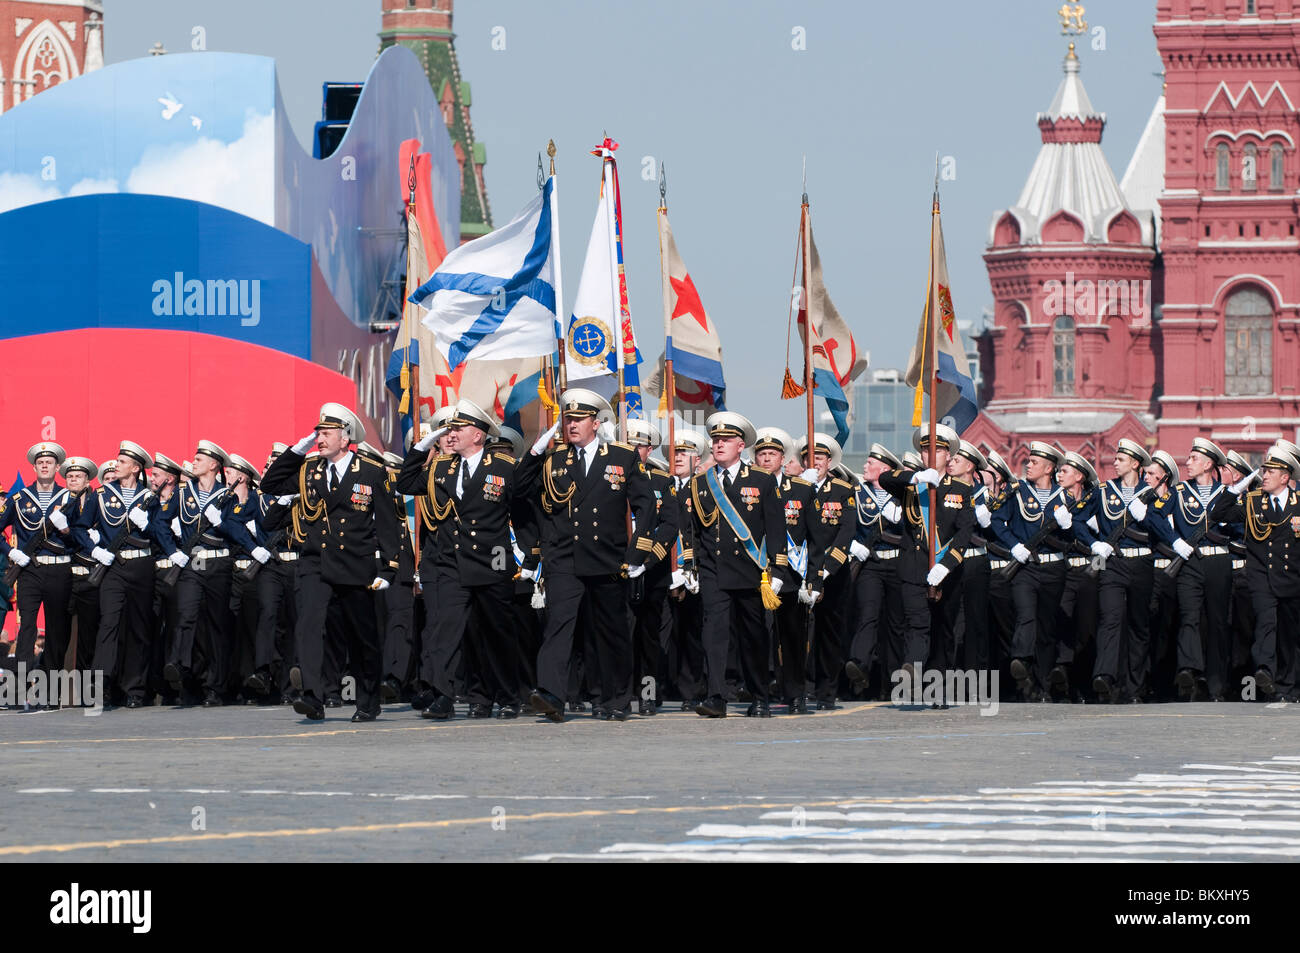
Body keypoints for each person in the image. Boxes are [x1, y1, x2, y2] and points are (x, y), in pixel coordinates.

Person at [397, 399, 542, 719]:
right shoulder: (441, 467)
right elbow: (405, 482)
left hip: (495, 560)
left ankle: (505, 696)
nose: (452, 433)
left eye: (458, 428)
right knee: (450, 630)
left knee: (495, 631)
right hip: (453, 561)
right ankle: (449, 696)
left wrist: (530, 556)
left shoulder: (503, 467)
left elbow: (523, 511)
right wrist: (423, 445)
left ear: (477, 435)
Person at [261, 403, 400, 722]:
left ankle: (368, 698)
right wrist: (299, 449)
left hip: (354, 563)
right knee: (309, 627)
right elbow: (270, 484)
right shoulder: (309, 469)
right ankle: (313, 695)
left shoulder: (370, 471)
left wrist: (388, 567)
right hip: (315, 561)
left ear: (345, 437)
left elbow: (387, 524)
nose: (320, 438)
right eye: (318, 432)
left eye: (327, 433)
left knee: (360, 634)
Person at [527, 389, 656, 722]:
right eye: (567, 419)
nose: (571, 425)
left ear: (595, 423)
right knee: (558, 626)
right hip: (565, 559)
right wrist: (537, 449)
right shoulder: (554, 460)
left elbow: (646, 507)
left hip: (607, 558)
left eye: (578, 419)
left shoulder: (622, 457)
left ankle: (617, 699)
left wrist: (636, 554)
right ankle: (551, 693)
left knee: (610, 631)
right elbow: (520, 490)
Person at [686, 412, 787, 718]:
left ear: (740, 445)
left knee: (752, 636)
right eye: (715, 440)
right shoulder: (701, 483)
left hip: (751, 571)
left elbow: (776, 527)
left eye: (725, 440)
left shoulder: (761, 480)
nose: (718, 445)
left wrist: (778, 569)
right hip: (714, 570)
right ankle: (717, 695)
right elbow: (694, 530)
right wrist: (692, 568)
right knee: (713, 635)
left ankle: (759, 696)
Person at [72, 441, 184, 708]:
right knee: (109, 623)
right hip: (113, 566)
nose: (117, 465)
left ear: (135, 468)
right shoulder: (101, 495)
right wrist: (96, 550)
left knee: (138, 627)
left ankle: (135, 688)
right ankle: (103, 684)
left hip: (142, 567)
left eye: (122, 462)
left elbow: (161, 532)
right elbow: (80, 527)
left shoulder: (149, 498)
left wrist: (149, 526)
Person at [162, 441, 263, 707]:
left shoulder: (226, 496)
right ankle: (179, 666)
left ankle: (215, 688)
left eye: (199, 459)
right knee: (186, 614)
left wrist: (225, 525)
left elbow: (238, 531)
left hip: (219, 563)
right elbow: (160, 523)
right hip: (193, 563)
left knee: (217, 625)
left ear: (214, 465)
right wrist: (173, 551)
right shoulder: (183, 494)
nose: (193, 462)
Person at [879, 425, 974, 698]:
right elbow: (886, 478)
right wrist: (917, 477)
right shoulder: (911, 485)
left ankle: (939, 690)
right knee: (917, 623)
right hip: (913, 567)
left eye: (938, 450)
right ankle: (912, 667)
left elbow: (964, 533)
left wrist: (946, 565)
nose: (930, 454)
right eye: (925, 449)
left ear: (949, 455)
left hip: (947, 570)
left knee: (944, 630)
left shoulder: (961, 490)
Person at [1210, 445, 1299, 702]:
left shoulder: (1299, 504)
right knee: (1266, 623)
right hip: (1261, 577)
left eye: (1271, 471)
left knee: (1290, 635)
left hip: (1292, 579)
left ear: (1285, 477)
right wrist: (1234, 490)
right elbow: (1218, 514)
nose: (1265, 474)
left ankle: (1288, 686)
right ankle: (1264, 670)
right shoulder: (1252, 502)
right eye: (1264, 470)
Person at [1146, 438, 1232, 701]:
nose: (1188, 462)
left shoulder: (1226, 495)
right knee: (1189, 616)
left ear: (1208, 464)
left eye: (1194, 458)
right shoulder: (1180, 492)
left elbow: (1242, 527)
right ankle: (1188, 671)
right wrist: (1175, 540)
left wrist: (1229, 527)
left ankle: (1216, 684)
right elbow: (1154, 515)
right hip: (1189, 562)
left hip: (1218, 562)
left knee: (1217, 622)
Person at [990, 441, 1073, 699]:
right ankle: (1021, 660)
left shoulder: (1064, 497)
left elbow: (1072, 539)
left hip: (1054, 568)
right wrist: (1014, 546)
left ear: (1049, 468)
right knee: (1026, 615)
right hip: (1025, 566)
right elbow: (997, 520)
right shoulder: (1017, 491)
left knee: (1047, 627)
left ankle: (1043, 683)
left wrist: (1068, 526)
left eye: (1034, 463)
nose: (1028, 465)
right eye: (1028, 461)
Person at [0, 442, 74, 705]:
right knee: (27, 628)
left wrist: (67, 531)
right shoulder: (19, 499)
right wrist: (11, 553)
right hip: (29, 569)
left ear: (57, 467)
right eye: (40, 462)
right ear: (34, 467)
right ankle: (20, 688)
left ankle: (51, 688)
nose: (44, 466)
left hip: (59, 569)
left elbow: (82, 535)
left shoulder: (68, 498)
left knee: (57, 628)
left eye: (49, 462)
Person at [791, 432, 857, 710]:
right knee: (799, 633)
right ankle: (801, 688)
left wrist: (826, 570)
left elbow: (846, 532)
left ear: (829, 461)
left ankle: (826, 691)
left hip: (833, 572)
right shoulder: (792, 487)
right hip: (798, 571)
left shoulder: (842, 490)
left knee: (829, 633)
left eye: (819, 457)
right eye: (808, 457)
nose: (814, 462)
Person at [624, 419, 679, 715]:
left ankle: (647, 694)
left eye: (641, 446)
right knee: (618, 633)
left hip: (651, 570)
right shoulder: (611, 479)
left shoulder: (661, 482)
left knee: (648, 637)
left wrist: (649, 559)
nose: (635, 450)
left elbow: (670, 524)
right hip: (618, 568)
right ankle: (617, 693)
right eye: (630, 444)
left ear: (650, 450)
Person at [844, 444, 905, 700]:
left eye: (871, 463)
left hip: (897, 564)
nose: (865, 466)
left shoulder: (902, 496)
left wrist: (901, 519)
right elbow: (844, 525)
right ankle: (858, 664)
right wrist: (852, 545)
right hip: (869, 563)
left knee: (895, 624)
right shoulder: (856, 493)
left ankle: (893, 682)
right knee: (867, 615)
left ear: (885, 469)